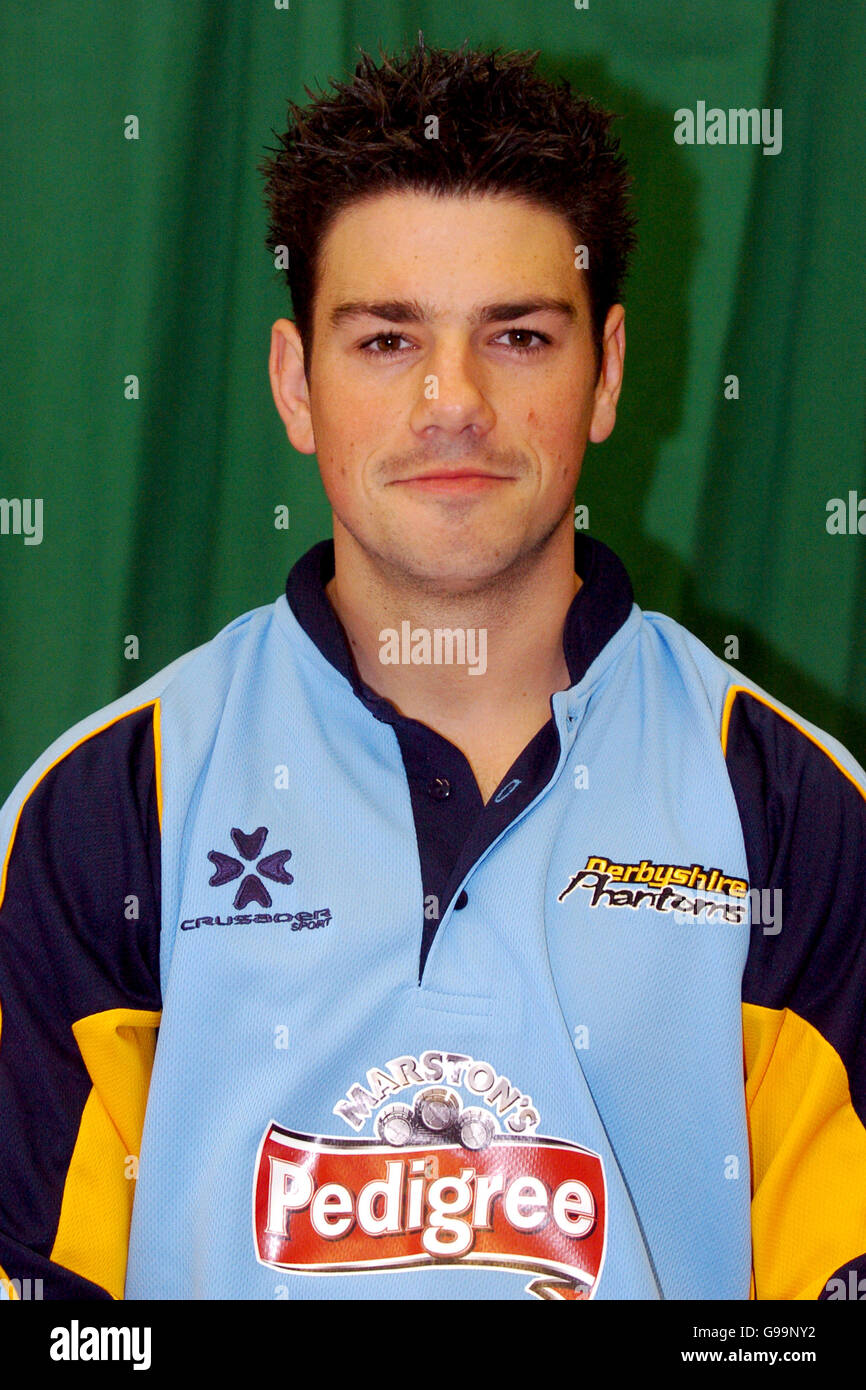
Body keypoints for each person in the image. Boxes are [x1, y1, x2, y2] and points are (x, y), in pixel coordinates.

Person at [1, 37, 864, 1304]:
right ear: (295, 385)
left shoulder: (786, 805)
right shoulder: (117, 798)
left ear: (606, 372)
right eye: (385, 340)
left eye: (515, 336)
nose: (450, 402)